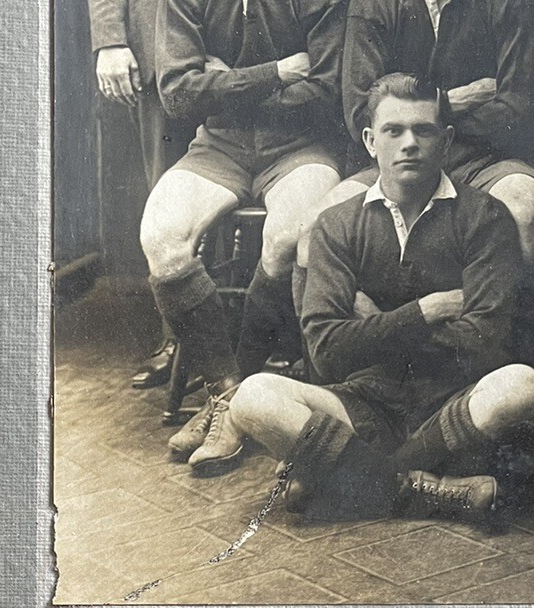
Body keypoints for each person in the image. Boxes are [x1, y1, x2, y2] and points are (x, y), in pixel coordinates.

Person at [227, 74, 534, 527]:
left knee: (524, 386)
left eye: (423, 130)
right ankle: (422, 489)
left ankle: (353, 480)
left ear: (446, 140)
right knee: (252, 396)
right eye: (393, 131)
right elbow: (325, 351)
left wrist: (371, 324)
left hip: (452, 401)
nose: (409, 144)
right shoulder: (337, 225)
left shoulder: (485, 216)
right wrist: (423, 313)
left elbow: (484, 343)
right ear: (370, 141)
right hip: (364, 405)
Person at [144, 0, 348, 474]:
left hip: (301, 145)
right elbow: (177, 95)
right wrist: (276, 73)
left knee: (286, 237)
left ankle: (235, 404)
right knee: (162, 238)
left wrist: (224, 85)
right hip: (218, 146)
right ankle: (228, 393)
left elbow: (326, 90)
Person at [293, 0, 534, 306]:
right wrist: (447, 103)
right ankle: (365, 330)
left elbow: (516, 110)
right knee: (311, 232)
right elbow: (361, 113)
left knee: (521, 214)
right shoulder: (375, 5)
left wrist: (417, 123)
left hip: (486, 159)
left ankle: (506, 332)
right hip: (392, 165)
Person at [89, 0, 198, 388]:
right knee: (171, 200)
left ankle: (260, 337)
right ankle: (180, 338)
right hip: (161, 46)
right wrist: (110, 40)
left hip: (246, 35)